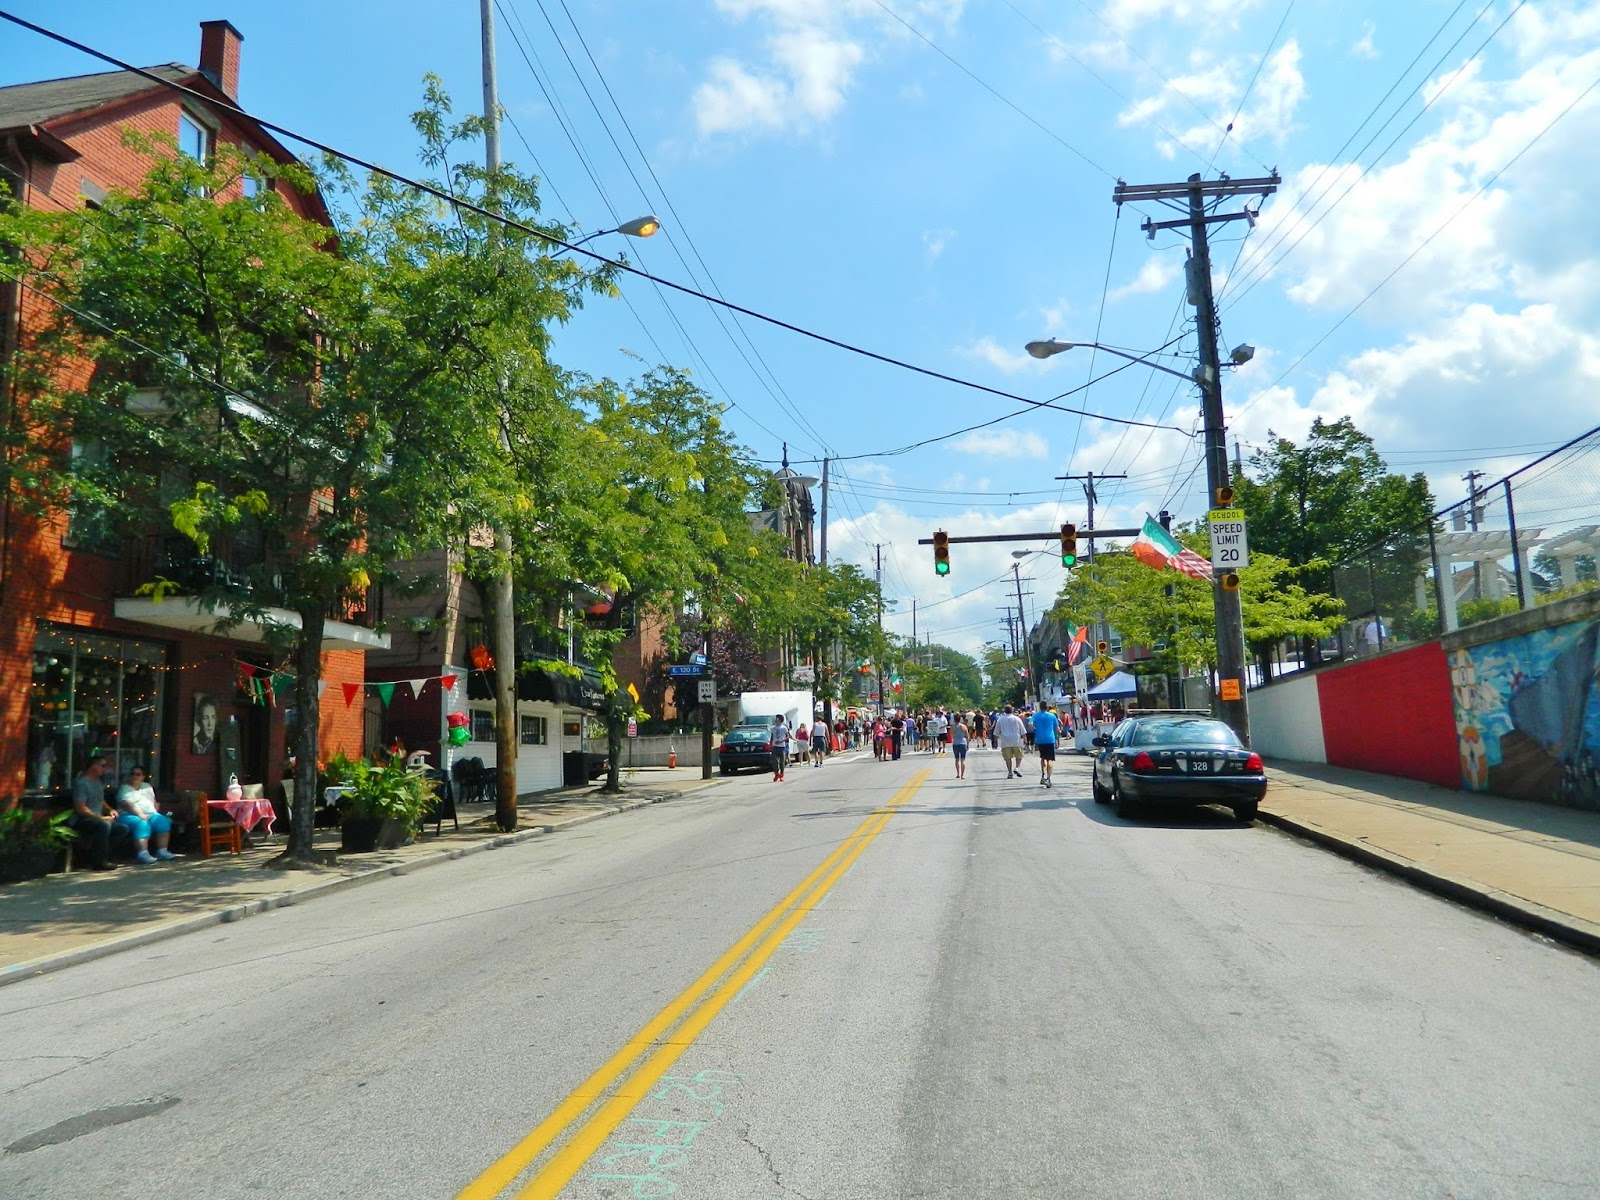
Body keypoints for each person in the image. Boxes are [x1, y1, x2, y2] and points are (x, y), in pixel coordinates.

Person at [116, 765, 176, 863]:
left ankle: (162, 851)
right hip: (128, 815)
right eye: (132, 774)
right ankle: (142, 853)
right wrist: (140, 814)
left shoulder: (147, 786)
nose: (135, 776)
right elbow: (126, 804)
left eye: (138, 774)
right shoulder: (124, 788)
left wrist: (155, 810)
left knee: (163, 821)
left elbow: (152, 801)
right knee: (141, 824)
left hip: (150, 814)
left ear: (143, 776)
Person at [67, 754, 117, 870]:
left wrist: (110, 810)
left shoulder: (98, 782)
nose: (105, 769)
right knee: (104, 826)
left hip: (97, 818)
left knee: (122, 829)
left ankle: (102, 855)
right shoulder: (82, 783)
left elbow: (101, 801)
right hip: (82, 820)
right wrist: (101, 818)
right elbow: (81, 808)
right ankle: (99, 862)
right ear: (94, 766)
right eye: (103, 766)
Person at [1031, 701, 1061, 788]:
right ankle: (1048, 778)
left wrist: (1035, 730)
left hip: (1040, 739)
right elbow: (1057, 728)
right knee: (1050, 760)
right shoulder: (1052, 716)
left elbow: (1030, 724)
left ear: (1040, 707)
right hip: (1050, 739)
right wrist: (1058, 735)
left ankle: (1043, 775)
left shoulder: (1036, 715)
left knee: (1043, 757)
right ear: (1047, 707)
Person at [995, 705, 1027, 779]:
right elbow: (1022, 730)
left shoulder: (1000, 719)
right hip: (1016, 740)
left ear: (1004, 711)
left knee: (1007, 758)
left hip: (1005, 741)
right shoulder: (1017, 719)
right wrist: (1025, 739)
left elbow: (996, 731)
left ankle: (1010, 772)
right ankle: (1017, 768)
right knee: (1019, 755)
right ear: (1012, 710)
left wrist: (995, 741)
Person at [769, 715, 790, 782]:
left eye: (777, 719)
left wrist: (781, 741)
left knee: (782, 762)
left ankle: (781, 775)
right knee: (774, 761)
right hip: (774, 747)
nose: (775, 720)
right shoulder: (772, 728)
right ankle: (776, 774)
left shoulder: (784, 728)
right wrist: (770, 745)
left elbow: (787, 737)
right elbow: (771, 737)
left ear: (780, 720)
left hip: (782, 747)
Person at [951, 713, 969, 780]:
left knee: (956, 759)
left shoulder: (953, 727)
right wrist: (968, 745)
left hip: (955, 743)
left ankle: (958, 773)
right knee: (962, 760)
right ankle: (962, 775)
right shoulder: (964, 726)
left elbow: (952, 735)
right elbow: (967, 736)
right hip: (963, 743)